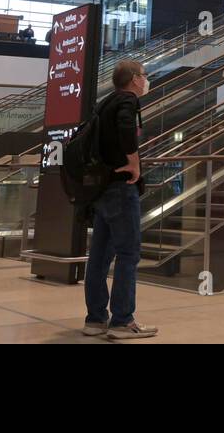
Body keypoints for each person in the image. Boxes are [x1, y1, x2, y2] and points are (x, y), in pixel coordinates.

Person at [83, 60, 158, 340]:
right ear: (135, 79)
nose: (146, 80)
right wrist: (135, 164)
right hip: (120, 187)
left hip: (102, 188)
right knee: (128, 253)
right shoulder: (127, 100)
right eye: (144, 75)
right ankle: (122, 321)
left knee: (100, 256)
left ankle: (95, 319)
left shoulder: (105, 103)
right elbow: (127, 129)